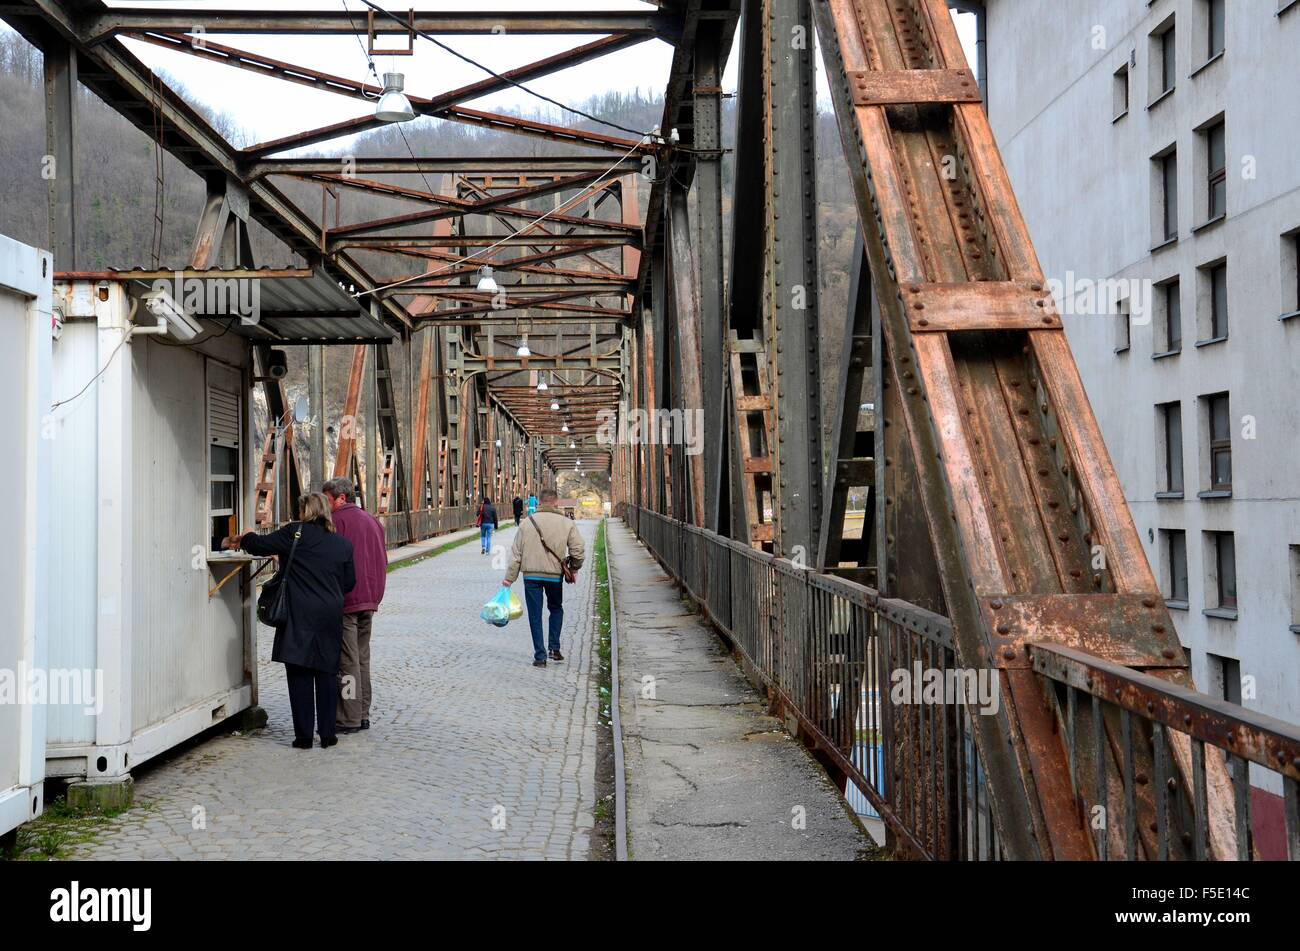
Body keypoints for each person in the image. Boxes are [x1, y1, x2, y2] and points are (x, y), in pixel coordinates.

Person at [225, 493, 354, 749]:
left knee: (299, 671)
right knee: (327, 672)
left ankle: (304, 736)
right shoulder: (342, 544)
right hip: (329, 613)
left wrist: (248, 534)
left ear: (305, 511)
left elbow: (259, 545)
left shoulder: (295, 533)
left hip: (299, 612)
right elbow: (350, 582)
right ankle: (328, 734)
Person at [322, 478, 386, 735]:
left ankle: (348, 717)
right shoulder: (373, 521)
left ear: (341, 498)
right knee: (362, 658)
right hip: (369, 599)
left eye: (327, 500)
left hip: (347, 601)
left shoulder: (337, 522)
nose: (326, 506)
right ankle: (363, 713)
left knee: (347, 661)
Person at [502, 489, 586, 667]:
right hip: (554, 576)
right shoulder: (566, 523)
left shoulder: (526, 523)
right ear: (556, 503)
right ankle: (554, 648)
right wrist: (574, 568)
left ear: (539, 502)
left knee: (535, 615)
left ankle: (540, 656)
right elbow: (578, 550)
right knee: (556, 609)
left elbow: (516, 554)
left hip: (531, 576)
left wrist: (509, 579)